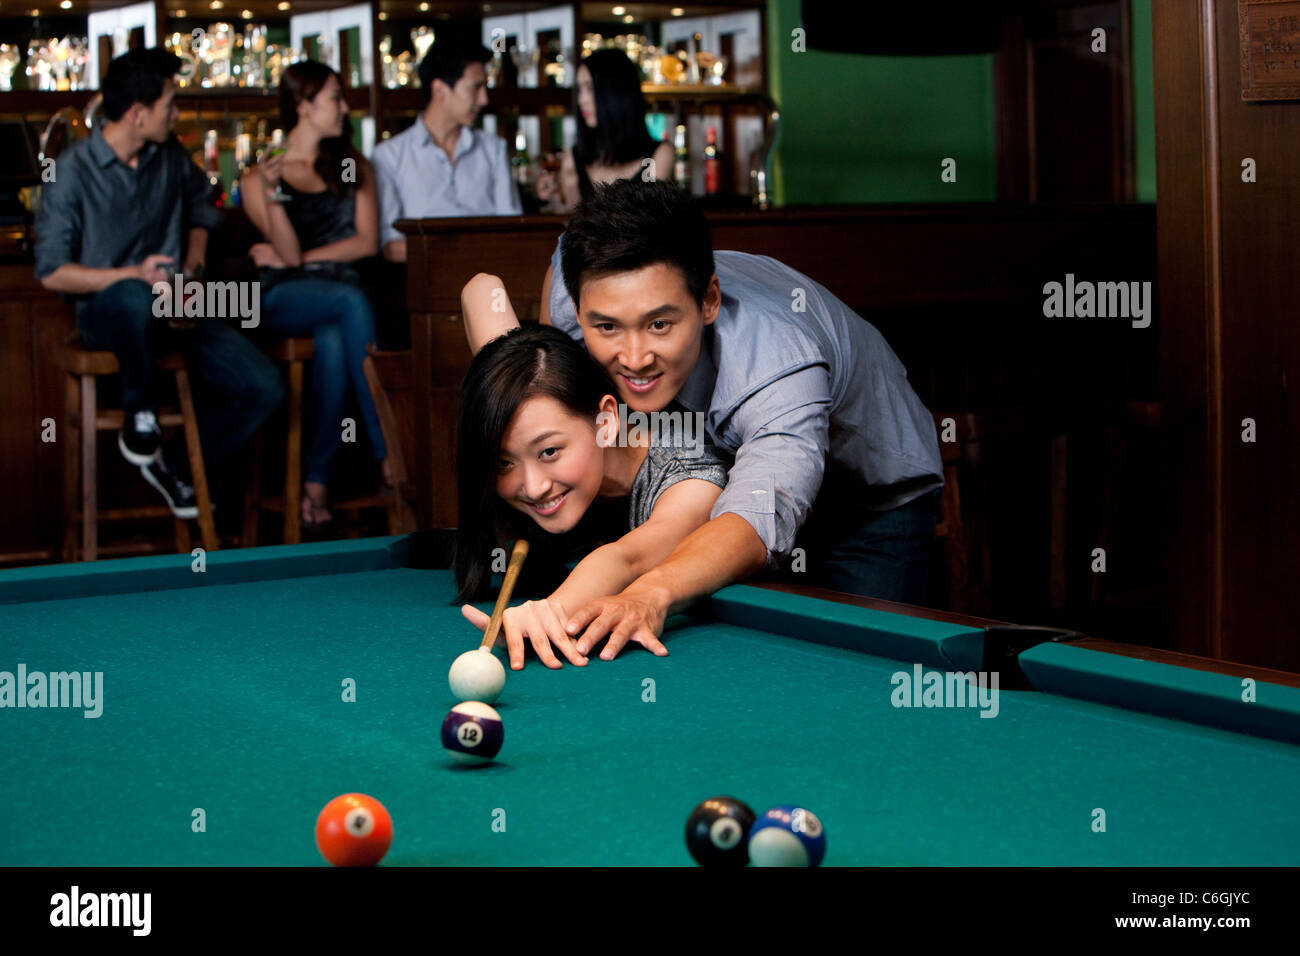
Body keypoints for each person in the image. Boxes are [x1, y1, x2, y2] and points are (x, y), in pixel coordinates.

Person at [540, 178, 944, 659]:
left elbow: (755, 521)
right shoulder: (581, 290)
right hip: (741, 483)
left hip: (869, 505)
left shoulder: (776, 367)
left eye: (659, 324)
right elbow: (551, 271)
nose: (633, 357)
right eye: (607, 326)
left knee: (869, 673)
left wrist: (650, 593)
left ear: (709, 300)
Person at [35, 48, 283, 519]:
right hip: (109, 312)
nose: (177, 113)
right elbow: (51, 271)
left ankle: (177, 467)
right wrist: (131, 274)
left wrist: (191, 265)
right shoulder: (71, 172)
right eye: (170, 104)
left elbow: (201, 211)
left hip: (179, 306)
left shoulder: (169, 157)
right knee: (134, 298)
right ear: (137, 113)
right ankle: (141, 414)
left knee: (264, 386)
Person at [454, 275, 728, 670]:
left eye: (549, 451)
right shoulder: (530, 395)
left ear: (605, 422)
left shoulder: (689, 476)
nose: (532, 486)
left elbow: (627, 560)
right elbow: (481, 286)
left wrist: (553, 610)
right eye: (504, 462)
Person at [241, 60, 390, 528]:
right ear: (303, 107)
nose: (344, 108)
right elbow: (281, 257)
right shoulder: (257, 178)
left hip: (340, 296)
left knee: (333, 334)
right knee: (349, 304)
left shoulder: (351, 165)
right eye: (334, 98)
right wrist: (272, 196)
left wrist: (302, 260)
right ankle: (390, 452)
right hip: (281, 298)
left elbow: (367, 242)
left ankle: (316, 483)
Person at [373, 40, 520, 263]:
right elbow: (392, 247)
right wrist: (460, 254)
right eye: (476, 87)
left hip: (492, 273)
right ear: (440, 89)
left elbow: (514, 229)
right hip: (425, 279)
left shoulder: (494, 149)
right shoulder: (389, 156)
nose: (484, 99)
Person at [535, 48, 674, 213]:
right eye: (580, 89)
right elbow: (573, 226)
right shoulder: (574, 159)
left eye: (590, 88)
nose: (581, 100)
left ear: (617, 93)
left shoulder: (659, 155)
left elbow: (653, 224)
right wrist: (555, 199)